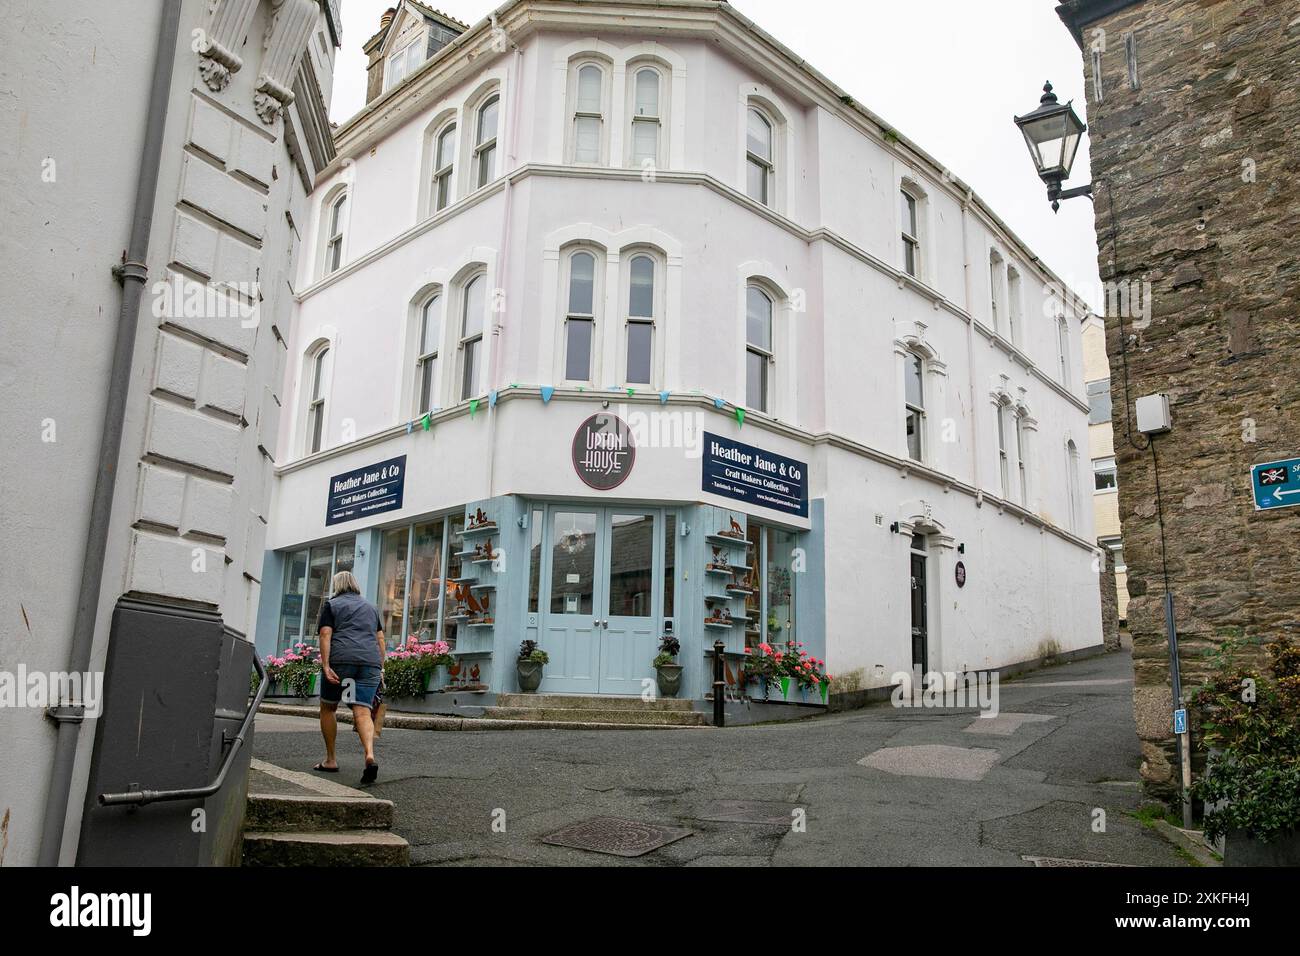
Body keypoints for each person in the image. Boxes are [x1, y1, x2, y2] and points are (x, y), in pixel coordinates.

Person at [313, 570, 385, 784]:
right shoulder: (372, 608)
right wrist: (380, 666)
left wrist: (325, 665)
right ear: (355, 585)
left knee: (329, 707)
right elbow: (380, 639)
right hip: (369, 662)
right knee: (362, 711)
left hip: (341, 662)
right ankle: (369, 755)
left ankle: (331, 760)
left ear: (336, 585)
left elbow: (326, 634)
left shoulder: (331, 605)